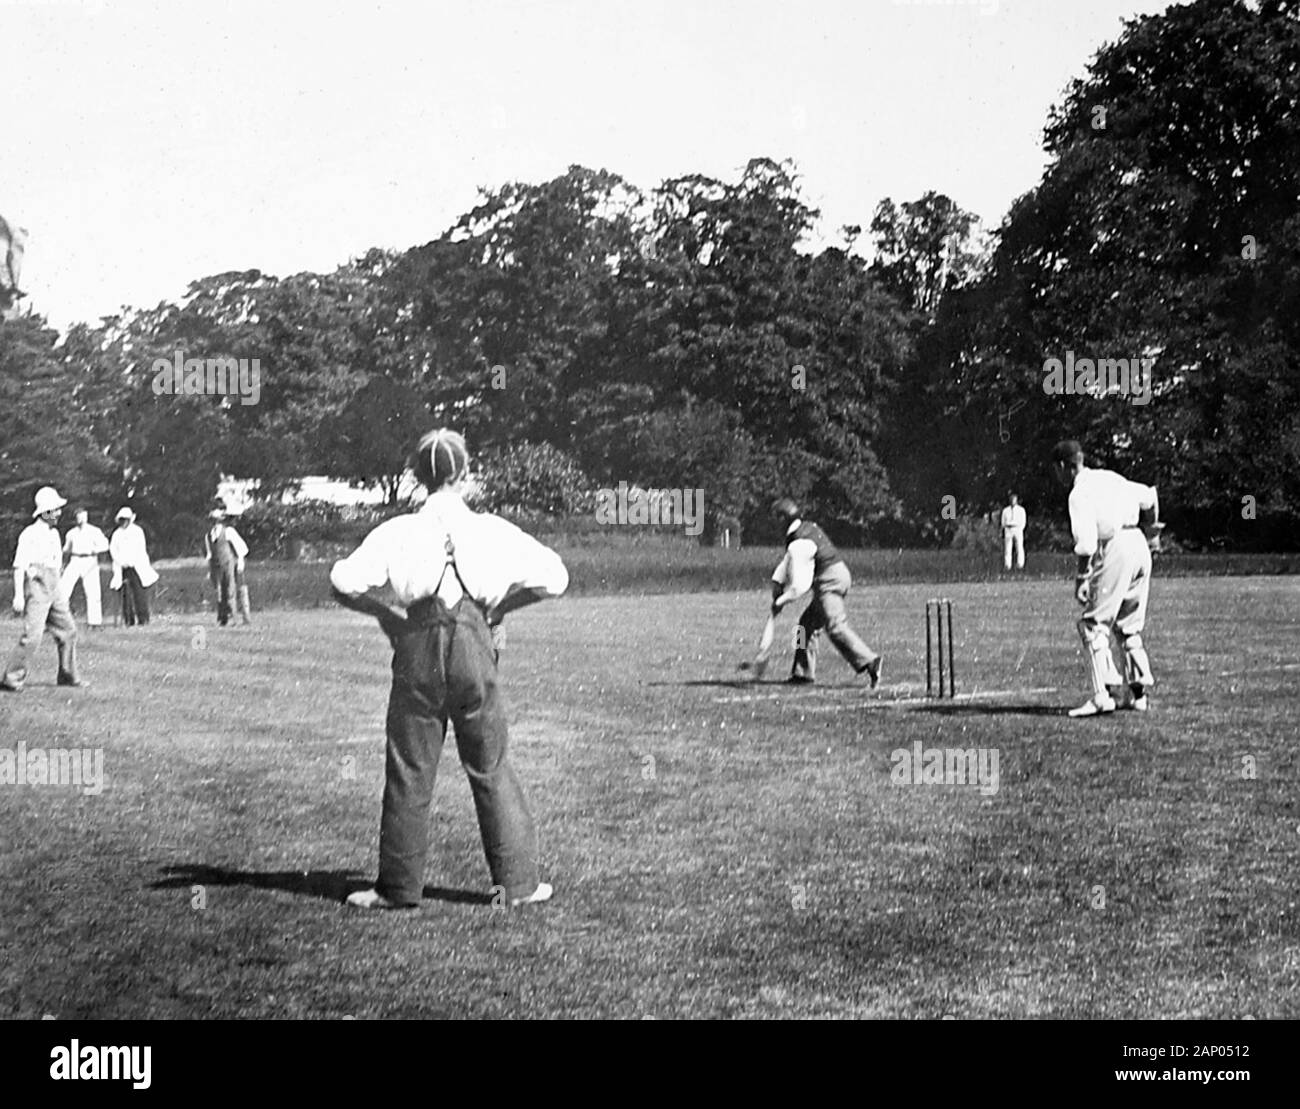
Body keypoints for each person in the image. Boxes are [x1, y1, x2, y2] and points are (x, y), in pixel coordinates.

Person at [331, 428, 569, 910]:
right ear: (464, 474)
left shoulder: (398, 531)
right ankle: (517, 885)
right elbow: (555, 580)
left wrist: (386, 617)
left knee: (409, 768)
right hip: (474, 647)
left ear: (418, 477)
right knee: (490, 764)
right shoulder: (493, 529)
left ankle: (397, 889)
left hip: (416, 644)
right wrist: (499, 611)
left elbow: (341, 581)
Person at [1050, 440, 1162, 717]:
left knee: (1092, 625)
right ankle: (1138, 696)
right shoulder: (1110, 477)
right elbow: (1151, 497)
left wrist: (1081, 578)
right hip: (1138, 544)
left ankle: (1103, 695)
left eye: (1057, 470)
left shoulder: (1078, 494)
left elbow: (1087, 544)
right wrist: (1154, 535)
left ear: (1065, 466)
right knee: (1128, 626)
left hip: (1116, 547)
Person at [769, 497, 881, 686]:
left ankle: (871, 662)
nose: (772, 525)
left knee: (835, 626)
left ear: (782, 519)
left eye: (774, 519)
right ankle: (802, 674)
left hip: (829, 580)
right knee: (805, 626)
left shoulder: (799, 541)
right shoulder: (803, 529)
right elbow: (785, 565)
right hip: (838, 573)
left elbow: (799, 586)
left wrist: (780, 602)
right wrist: (777, 586)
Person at [1, 486, 82, 692]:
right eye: (55, 510)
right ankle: (12, 678)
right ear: (45, 512)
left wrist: (60, 590)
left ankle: (68, 676)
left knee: (68, 630)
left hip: (53, 586)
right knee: (33, 635)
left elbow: (57, 565)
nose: (59, 513)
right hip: (36, 586)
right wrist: (19, 595)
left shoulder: (54, 534)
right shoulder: (29, 534)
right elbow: (19, 566)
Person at [60, 508, 110, 628]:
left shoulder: (94, 531)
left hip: (90, 560)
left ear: (87, 517)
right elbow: (66, 549)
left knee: (93, 591)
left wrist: (96, 549)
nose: (81, 519)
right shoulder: (71, 533)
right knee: (63, 589)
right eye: (79, 517)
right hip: (75, 560)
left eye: (83, 516)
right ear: (75, 518)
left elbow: (105, 545)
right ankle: (60, 621)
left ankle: (95, 622)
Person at [109, 508, 158, 626]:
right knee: (125, 594)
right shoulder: (117, 533)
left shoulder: (137, 531)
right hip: (122, 567)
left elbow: (140, 549)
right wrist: (121, 562)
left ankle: (143, 619)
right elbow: (113, 550)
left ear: (130, 519)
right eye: (122, 520)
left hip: (137, 566)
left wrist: (131, 561)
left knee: (139, 593)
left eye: (126, 519)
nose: (124, 522)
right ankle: (128, 619)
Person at [204, 507, 251, 626]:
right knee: (219, 592)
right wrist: (209, 570)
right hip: (216, 566)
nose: (214, 523)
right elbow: (209, 554)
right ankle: (222, 618)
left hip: (228, 564)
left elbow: (241, 548)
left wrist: (240, 562)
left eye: (216, 520)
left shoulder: (229, 531)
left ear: (221, 520)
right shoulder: (208, 536)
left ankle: (234, 618)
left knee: (230, 590)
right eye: (212, 520)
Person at [1000, 492, 1027, 571]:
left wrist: (1020, 528)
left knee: (1019, 547)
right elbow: (1003, 521)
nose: (1012, 501)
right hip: (1008, 529)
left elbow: (1023, 521)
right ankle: (1007, 565)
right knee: (1008, 548)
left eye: (1014, 499)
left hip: (1017, 528)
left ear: (1016, 500)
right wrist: (1005, 528)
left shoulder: (1021, 510)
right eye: (1011, 499)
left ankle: (1020, 564)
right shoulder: (1005, 510)